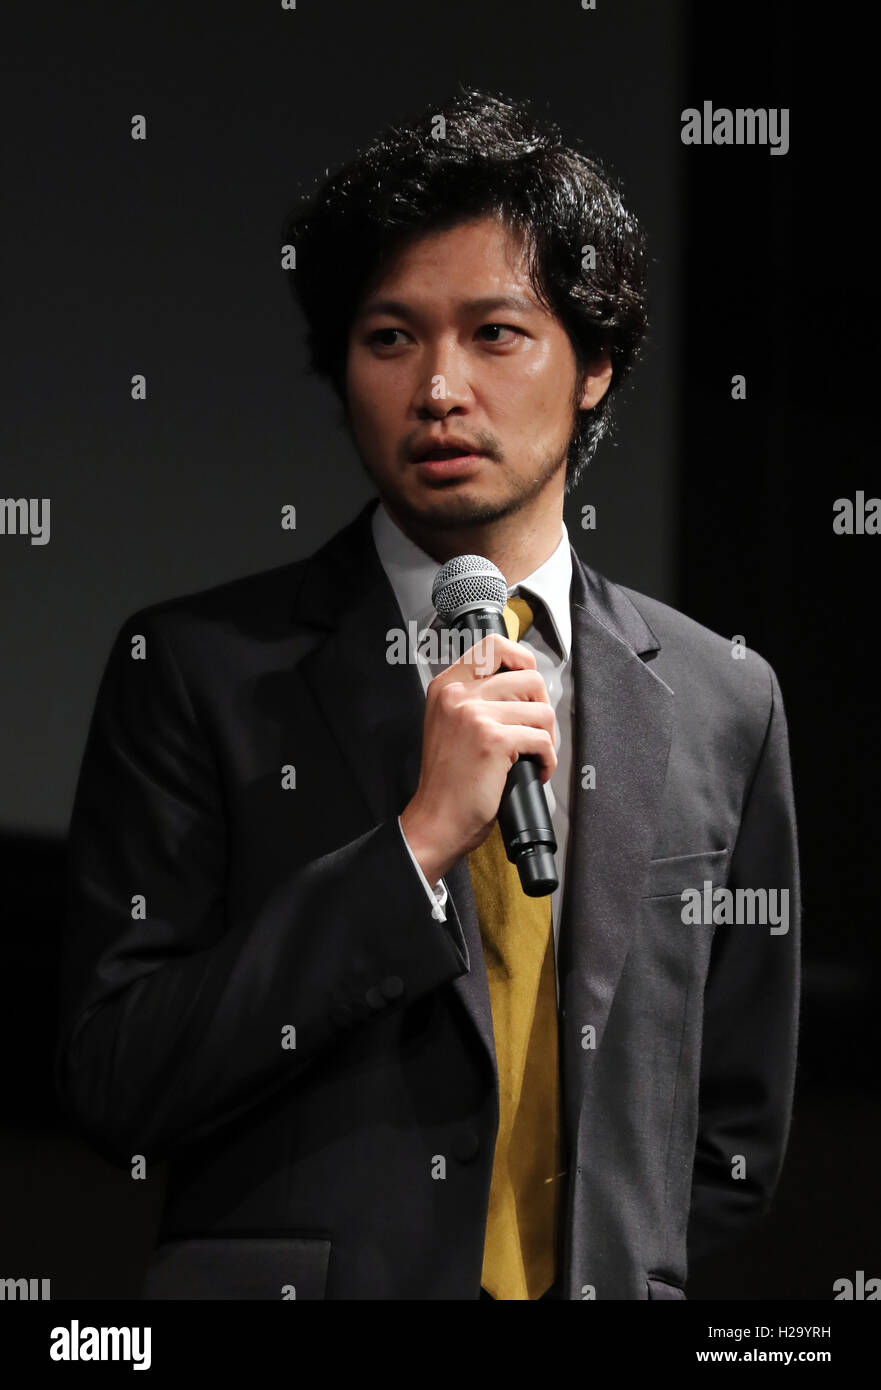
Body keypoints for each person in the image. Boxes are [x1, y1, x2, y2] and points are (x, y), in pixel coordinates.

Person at [55, 87, 800, 1301]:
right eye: (390, 337)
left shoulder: (723, 697)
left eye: (494, 333)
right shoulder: (196, 669)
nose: (438, 387)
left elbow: (734, 1136)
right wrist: (409, 850)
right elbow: (115, 1078)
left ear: (596, 365)